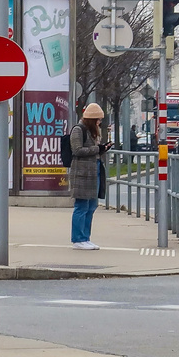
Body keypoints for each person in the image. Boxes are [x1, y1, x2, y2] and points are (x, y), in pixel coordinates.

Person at [69, 102, 108, 250]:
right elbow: (77, 150)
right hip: (82, 172)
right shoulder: (78, 130)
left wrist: (102, 149)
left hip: (94, 170)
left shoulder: (93, 131)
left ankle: (86, 237)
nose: (99, 122)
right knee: (81, 205)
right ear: (91, 120)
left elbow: (93, 150)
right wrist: (96, 148)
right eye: (98, 120)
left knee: (92, 205)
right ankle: (78, 238)